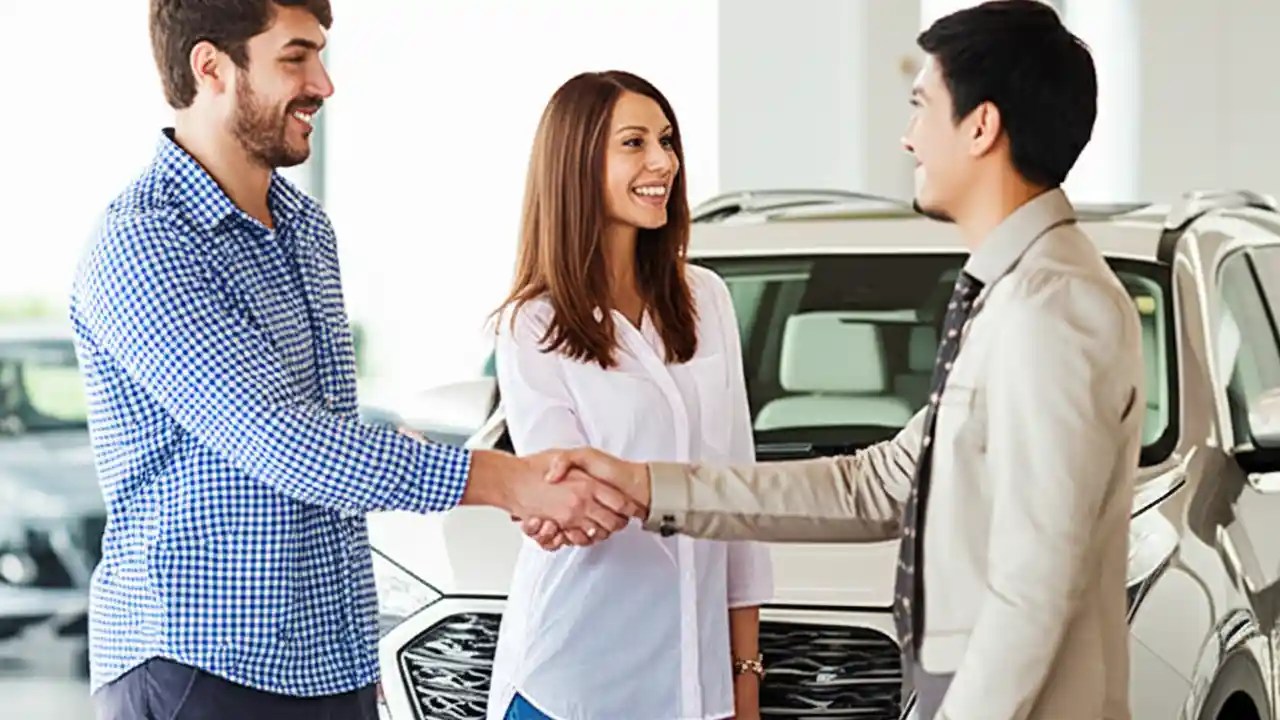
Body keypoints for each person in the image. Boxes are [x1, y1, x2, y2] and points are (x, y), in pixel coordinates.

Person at [527, 2, 1144, 719]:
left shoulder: (1055, 308)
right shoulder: (1009, 296)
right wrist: (646, 485)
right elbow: (874, 484)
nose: (909, 138)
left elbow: (1035, 584)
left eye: (922, 106)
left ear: (981, 127)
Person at [74, 3, 633, 718]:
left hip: (327, 659)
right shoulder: (146, 244)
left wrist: (392, 446)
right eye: (295, 58)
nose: (323, 84)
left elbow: (312, 426)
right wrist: (507, 481)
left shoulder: (306, 228)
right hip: (201, 662)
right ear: (209, 67)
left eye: (320, 56)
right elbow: (281, 440)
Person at [486, 70, 773, 720]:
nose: (663, 162)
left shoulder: (706, 300)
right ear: (577, 163)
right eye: (635, 143)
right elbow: (573, 501)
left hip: (699, 694)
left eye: (667, 141)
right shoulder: (533, 324)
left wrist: (745, 679)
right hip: (571, 683)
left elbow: (742, 499)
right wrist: (556, 499)